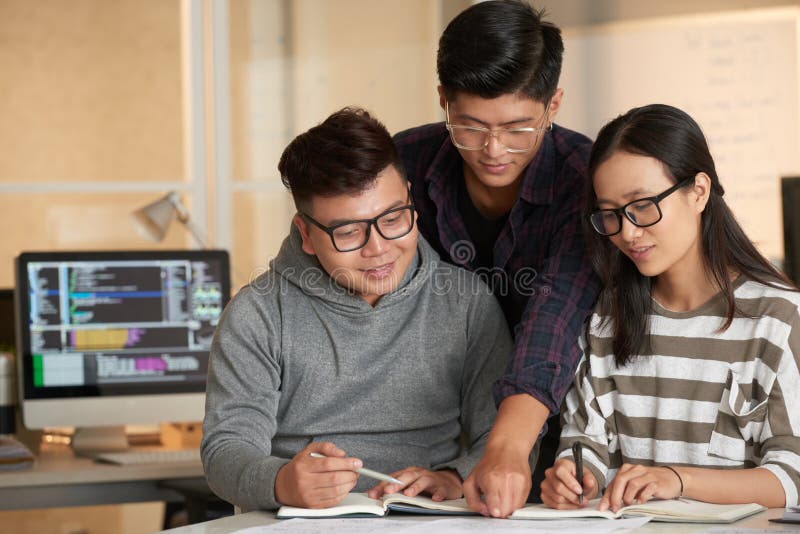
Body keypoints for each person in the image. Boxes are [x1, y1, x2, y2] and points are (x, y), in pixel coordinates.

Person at [201, 107, 512, 512]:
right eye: (349, 232)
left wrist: (454, 476)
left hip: (431, 520)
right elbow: (226, 450)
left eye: (394, 217)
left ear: (411, 201)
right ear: (307, 235)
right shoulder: (258, 314)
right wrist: (281, 482)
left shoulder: (466, 302)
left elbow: (504, 435)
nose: (379, 247)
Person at [393, 0, 600, 515]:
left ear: (554, 105)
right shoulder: (402, 164)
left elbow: (556, 316)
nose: (493, 150)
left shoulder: (586, 179)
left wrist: (505, 449)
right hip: (421, 433)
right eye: (470, 126)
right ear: (443, 100)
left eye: (517, 128)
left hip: (546, 438)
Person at [541, 103, 800, 511]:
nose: (627, 232)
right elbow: (585, 443)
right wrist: (577, 478)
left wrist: (678, 481)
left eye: (642, 205)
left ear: (698, 191)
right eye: (609, 214)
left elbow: (792, 477)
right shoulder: (607, 318)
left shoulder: (777, 319)